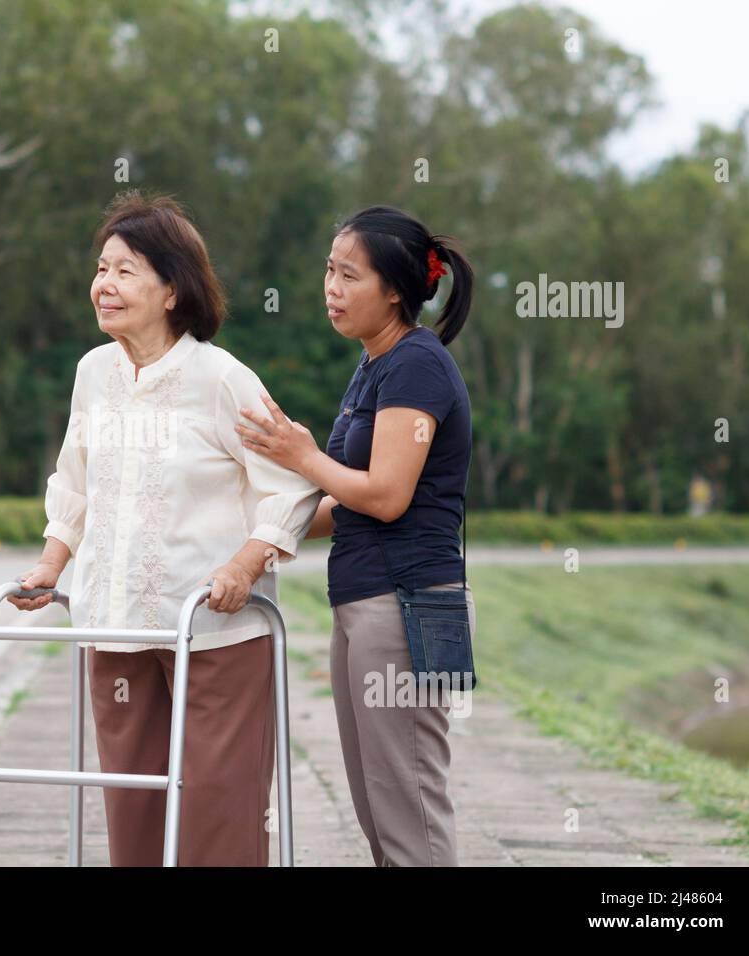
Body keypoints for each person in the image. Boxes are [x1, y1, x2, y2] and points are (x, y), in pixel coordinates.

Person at [11, 190, 322, 866]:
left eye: (125, 271)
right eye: (101, 269)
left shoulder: (221, 378)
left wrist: (244, 566)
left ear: (173, 288)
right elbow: (74, 479)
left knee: (219, 803)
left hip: (211, 627)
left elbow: (291, 487)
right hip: (116, 623)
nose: (105, 285)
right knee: (133, 803)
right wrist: (50, 563)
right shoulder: (93, 374)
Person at [235, 205, 477, 866]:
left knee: (411, 808)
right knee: (378, 806)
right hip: (367, 602)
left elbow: (389, 495)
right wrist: (254, 536)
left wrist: (302, 455)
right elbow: (349, 506)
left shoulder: (416, 365)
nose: (330, 289)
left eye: (349, 275)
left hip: (411, 604)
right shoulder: (375, 365)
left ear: (393, 290)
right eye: (328, 272)